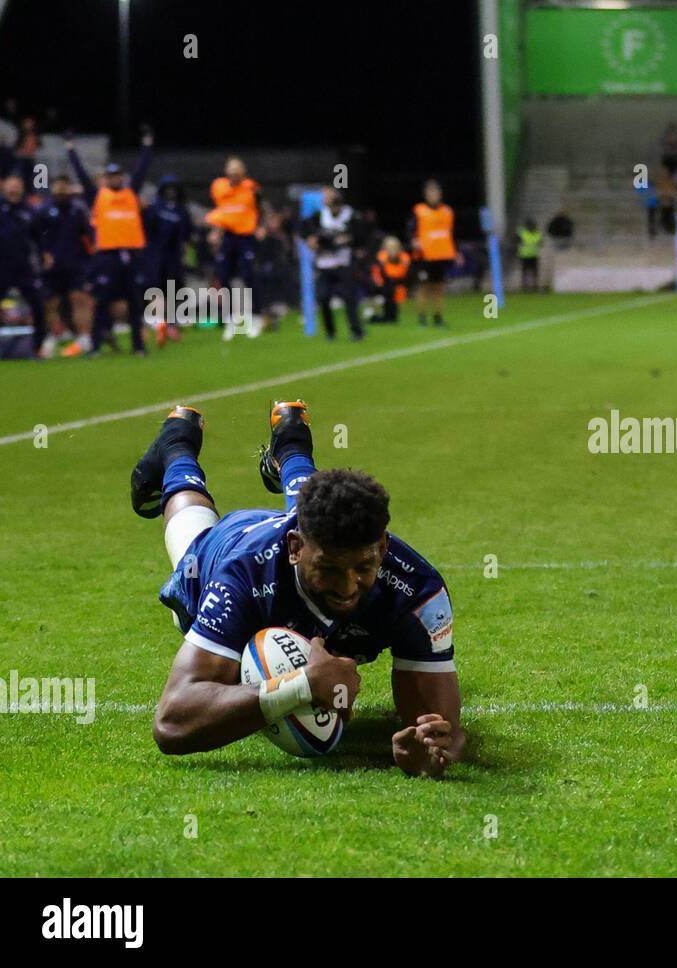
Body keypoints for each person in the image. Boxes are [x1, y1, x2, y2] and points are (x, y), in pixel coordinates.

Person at [131, 400, 465, 777]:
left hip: (303, 536)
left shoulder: (417, 589)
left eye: (363, 567)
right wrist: (300, 685)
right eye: (329, 570)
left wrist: (433, 749)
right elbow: (172, 723)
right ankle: (176, 447)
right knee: (189, 526)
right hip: (227, 544)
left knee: (315, 496)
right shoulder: (239, 575)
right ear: (295, 549)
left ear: (382, 548)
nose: (347, 586)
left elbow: (443, 729)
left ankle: (290, 438)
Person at [67, 128, 154, 355]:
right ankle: (95, 346)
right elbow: (82, 175)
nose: (115, 179)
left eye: (118, 176)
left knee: (135, 303)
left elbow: (142, 170)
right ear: (107, 178)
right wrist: (70, 149)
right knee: (102, 302)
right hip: (107, 256)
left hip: (131, 253)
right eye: (111, 176)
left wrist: (147, 144)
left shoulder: (130, 194)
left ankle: (139, 346)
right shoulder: (99, 197)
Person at [32, 173, 94, 357]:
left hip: (75, 263)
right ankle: (50, 338)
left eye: (64, 186)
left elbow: (89, 236)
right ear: (52, 188)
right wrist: (43, 254)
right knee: (51, 303)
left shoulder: (78, 210)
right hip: (52, 266)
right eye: (58, 186)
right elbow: (36, 237)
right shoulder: (44, 210)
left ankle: (85, 339)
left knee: (79, 300)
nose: (61, 189)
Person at [0, 173, 49, 357]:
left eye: (17, 185)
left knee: (38, 306)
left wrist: (44, 255)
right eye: (10, 185)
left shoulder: (29, 211)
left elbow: (39, 238)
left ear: (22, 188)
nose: (13, 189)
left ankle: (38, 347)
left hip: (24, 268)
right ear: (3, 187)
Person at [303, 186, 364, 341]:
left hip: (343, 262)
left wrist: (345, 240)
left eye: (327, 196)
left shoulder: (349, 214)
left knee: (349, 297)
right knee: (324, 298)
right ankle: (330, 332)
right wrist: (311, 240)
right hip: (325, 262)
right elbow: (305, 231)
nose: (324, 198)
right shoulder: (319, 216)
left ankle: (356, 330)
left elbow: (358, 236)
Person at [143, 174, 192, 347]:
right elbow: (147, 231)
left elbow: (187, 235)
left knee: (171, 291)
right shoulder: (155, 207)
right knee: (156, 290)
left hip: (173, 258)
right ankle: (159, 323)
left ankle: (168, 324)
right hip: (156, 256)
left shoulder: (181, 210)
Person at [206, 156, 262, 295]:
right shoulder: (218, 186)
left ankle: (255, 311)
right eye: (231, 171)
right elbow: (219, 210)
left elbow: (261, 207)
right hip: (226, 234)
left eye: (237, 171)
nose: (234, 175)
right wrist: (215, 231)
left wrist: (262, 227)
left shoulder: (251, 187)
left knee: (248, 273)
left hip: (246, 235)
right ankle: (228, 311)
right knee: (222, 273)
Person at [409, 179, 462, 327]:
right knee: (424, 287)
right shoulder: (419, 210)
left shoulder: (447, 211)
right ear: (425, 194)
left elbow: (452, 233)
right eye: (430, 192)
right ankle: (422, 318)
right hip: (425, 255)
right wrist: (414, 241)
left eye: (435, 192)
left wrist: (457, 252)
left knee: (439, 287)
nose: (433, 195)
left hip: (442, 254)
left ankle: (438, 317)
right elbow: (410, 230)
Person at [370, 235, 411, 322]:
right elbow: (378, 270)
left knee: (394, 294)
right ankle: (387, 315)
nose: (391, 248)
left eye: (393, 245)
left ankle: (392, 316)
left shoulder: (404, 256)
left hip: (399, 281)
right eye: (389, 245)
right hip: (385, 282)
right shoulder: (381, 255)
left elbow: (404, 270)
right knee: (386, 293)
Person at [516, 216, 543, 292]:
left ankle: (535, 286)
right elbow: (517, 241)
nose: (531, 226)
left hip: (534, 255)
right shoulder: (522, 232)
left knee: (535, 272)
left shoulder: (537, 233)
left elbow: (541, 243)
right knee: (525, 272)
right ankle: (524, 287)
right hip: (524, 255)